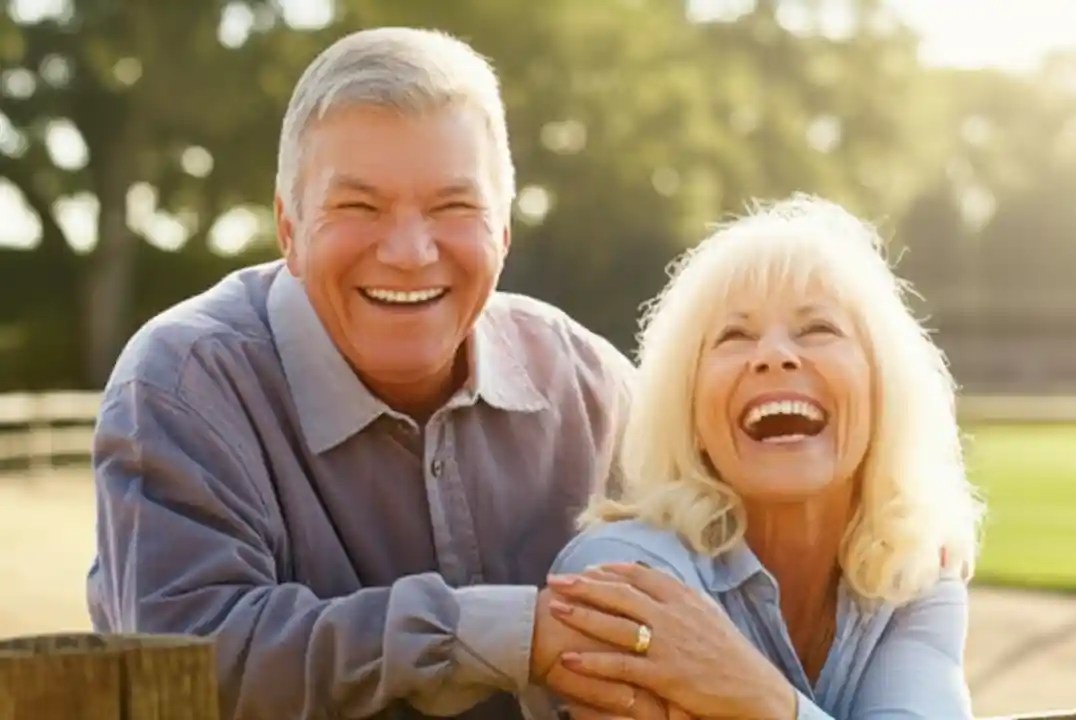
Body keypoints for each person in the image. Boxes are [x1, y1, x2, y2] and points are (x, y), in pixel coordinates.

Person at [87, 27, 638, 720]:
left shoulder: (591, 384)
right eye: (358, 207)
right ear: (289, 229)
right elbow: (186, 661)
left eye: (453, 206)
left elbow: (711, 582)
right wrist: (512, 635)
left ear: (502, 230)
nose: (409, 251)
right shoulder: (182, 384)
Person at [527, 196, 985, 719]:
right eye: (735, 335)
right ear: (689, 410)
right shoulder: (624, 574)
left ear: (883, 391)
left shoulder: (914, 572)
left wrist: (758, 697)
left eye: (818, 329)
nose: (774, 355)